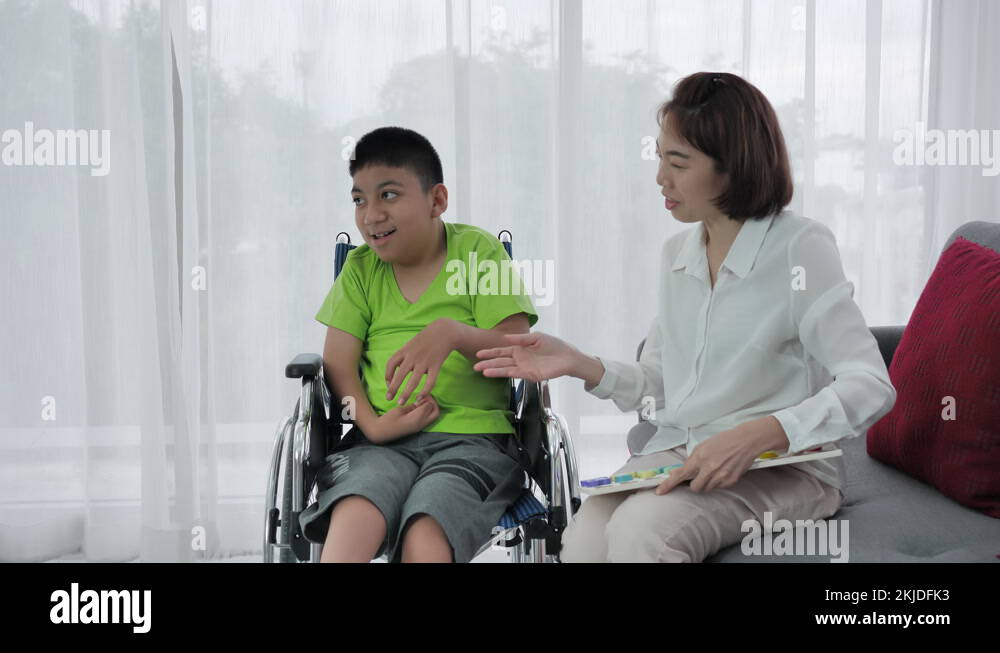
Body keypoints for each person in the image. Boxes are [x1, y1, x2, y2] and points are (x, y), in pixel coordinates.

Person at [474, 72, 897, 563]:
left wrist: (762, 432)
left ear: (733, 168)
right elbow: (661, 387)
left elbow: (870, 384)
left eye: (678, 162)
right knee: (584, 539)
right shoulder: (678, 254)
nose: (660, 178)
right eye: (660, 158)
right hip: (686, 449)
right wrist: (577, 363)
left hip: (784, 467)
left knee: (641, 533)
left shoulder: (800, 247)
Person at [298, 126, 538, 563]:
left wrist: (452, 333)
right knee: (356, 513)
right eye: (358, 200)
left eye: (388, 195)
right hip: (379, 442)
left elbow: (521, 351)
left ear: (437, 200)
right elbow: (338, 363)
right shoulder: (361, 269)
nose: (370, 215)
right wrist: (372, 425)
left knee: (425, 533)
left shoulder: (479, 253)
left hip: (474, 441)